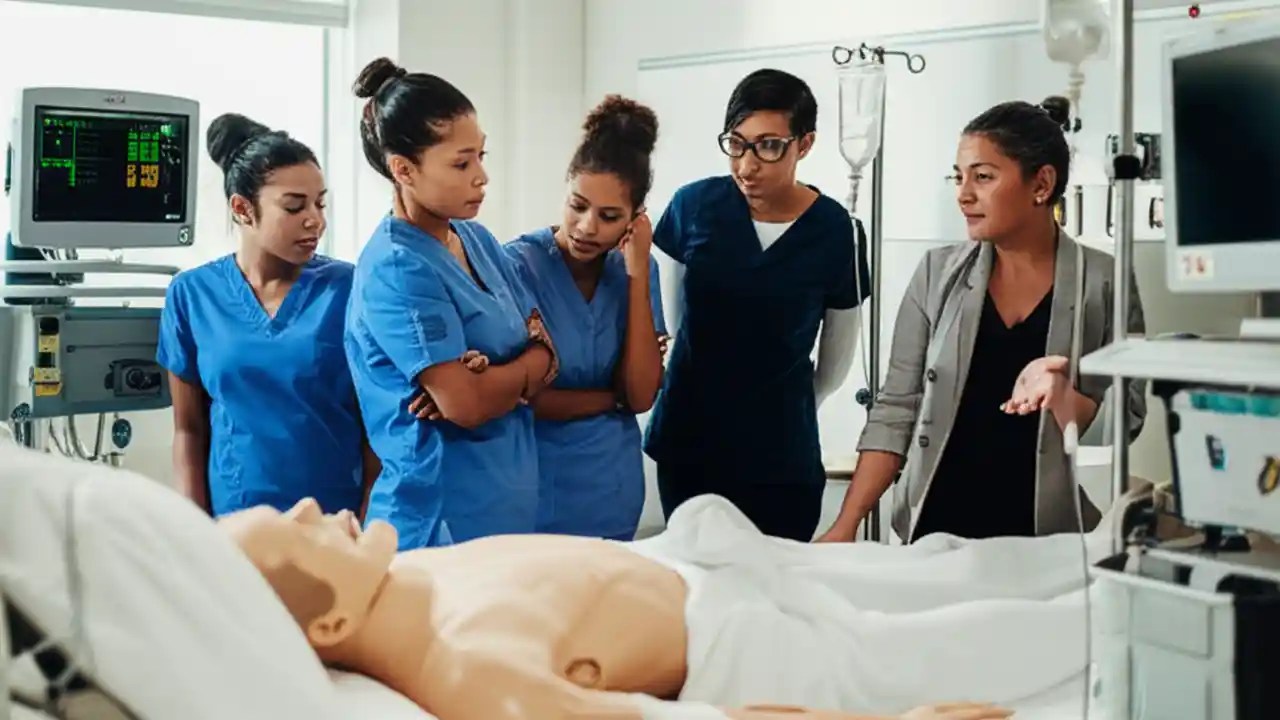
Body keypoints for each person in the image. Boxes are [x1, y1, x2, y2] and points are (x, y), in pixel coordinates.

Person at [220, 487, 1150, 720]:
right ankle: (1165, 624)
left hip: (706, 562)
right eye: (292, 528)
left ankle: (1131, 558)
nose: (312, 505)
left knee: (959, 564)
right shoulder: (469, 670)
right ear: (331, 625)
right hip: (742, 644)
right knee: (1001, 636)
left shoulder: (407, 572)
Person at [818, 97, 1148, 544]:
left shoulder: (1104, 282)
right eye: (959, 177)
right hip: (934, 534)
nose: (963, 193)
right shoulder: (936, 275)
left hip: (1045, 541)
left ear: (1042, 183)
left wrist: (1063, 394)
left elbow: (1126, 418)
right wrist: (846, 524)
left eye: (983, 177)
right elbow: (897, 408)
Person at [645, 68, 871, 542]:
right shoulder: (694, 207)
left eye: (768, 146)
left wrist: (780, 408)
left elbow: (836, 359)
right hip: (693, 440)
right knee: (695, 583)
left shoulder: (837, 233)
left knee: (778, 589)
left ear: (804, 145)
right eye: (737, 143)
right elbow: (677, 327)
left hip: (780, 456)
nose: (747, 165)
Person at [343, 57, 559, 551]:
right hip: (438, 526)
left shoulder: (476, 239)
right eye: (462, 163)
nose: (481, 176)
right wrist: (520, 370)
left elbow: (550, 351)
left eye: (482, 156)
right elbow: (466, 404)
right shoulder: (398, 269)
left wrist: (500, 377)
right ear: (403, 170)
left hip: (507, 514)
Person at [156, 113, 375, 518]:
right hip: (235, 526)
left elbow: (375, 427)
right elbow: (189, 429)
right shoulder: (192, 295)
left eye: (319, 203)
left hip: (333, 526)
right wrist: (194, 528)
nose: (315, 219)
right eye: (294, 207)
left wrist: (366, 518)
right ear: (242, 209)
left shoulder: (350, 289)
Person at [501, 95, 667, 540]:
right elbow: (520, 397)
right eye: (577, 205)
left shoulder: (638, 269)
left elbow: (640, 395)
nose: (587, 226)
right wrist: (607, 400)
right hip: (533, 484)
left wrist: (635, 275)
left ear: (635, 219)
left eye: (610, 216)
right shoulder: (518, 266)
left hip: (611, 487)